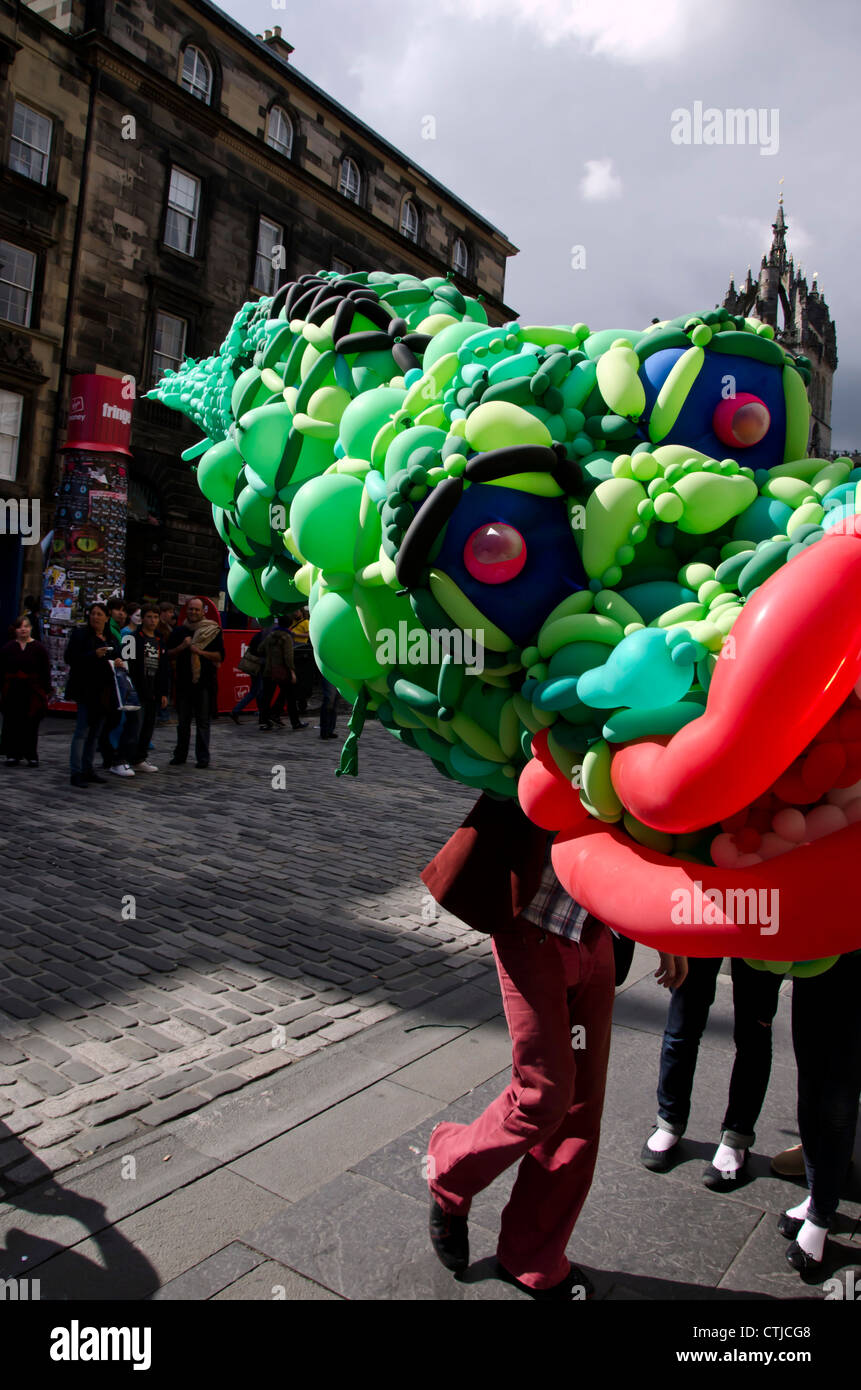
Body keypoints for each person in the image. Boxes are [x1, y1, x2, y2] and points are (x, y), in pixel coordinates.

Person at [421, 798, 686, 1298]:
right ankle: (448, 1169)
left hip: (595, 931)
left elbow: (654, 819)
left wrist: (661, 925)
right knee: (544, 1096)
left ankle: (533, 1256)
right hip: (532, 923)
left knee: (581, 1109)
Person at [640, 957, 783, 1186]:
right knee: (682, 1021)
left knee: (754, 1033)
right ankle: (669, 1119)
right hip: (700, 922)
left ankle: (737, 1137)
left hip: (761, 928)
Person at [778, 952, 861, 1281]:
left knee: (839, 1099)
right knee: (810, 1084)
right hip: (816, 956)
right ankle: (818, 1195)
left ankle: (821, 1214)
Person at [64, 602, 123, 787]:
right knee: (82, 731)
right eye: (92, 614)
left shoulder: (111, 638)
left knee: (95, 733)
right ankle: (76, 772)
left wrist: (119, 661)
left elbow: (116, 658)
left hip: (104, 692)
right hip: (86, 690)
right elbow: (70, 658)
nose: (95, 617)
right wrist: (93, 655)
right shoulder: (81, 635)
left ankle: (88, 769)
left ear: (107, 618)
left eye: (99, 614)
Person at [166, 597, 224, 767]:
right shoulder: (179, 632)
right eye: (191, 609)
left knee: (202, 722)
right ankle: (180, 755)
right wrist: (182, 648)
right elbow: (168, 654)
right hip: (184, 682)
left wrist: (199, 652)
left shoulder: (212, 630)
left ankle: (203, 758)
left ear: (203, 611)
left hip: (204, 682)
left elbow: (220, 656)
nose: (193, 612)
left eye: (197, 610)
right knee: (183, 722)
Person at [0, 615, 51, 766]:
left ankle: (31, 754)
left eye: (26, 626)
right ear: (15, 630)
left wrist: (45, 690)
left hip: (32, 690)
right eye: (20, 626)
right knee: (12, 722)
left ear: (31, 629)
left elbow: (45, 670)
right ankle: (12, 754)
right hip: (13, 690)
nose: (23, 629)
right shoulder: (8, 648)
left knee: (31, 724)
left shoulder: (38, 648)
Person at [128, 604, 169, 772]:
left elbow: (164, 668)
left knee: (148, 727)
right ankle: (123, 758)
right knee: (133, 727)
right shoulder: (132, 638)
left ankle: (140, 759)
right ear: (143, 618)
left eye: (155, 617)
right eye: (149, 617)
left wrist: (163, 692)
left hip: (154, 689)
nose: (152, 620)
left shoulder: (160, 640)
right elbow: (127, 664)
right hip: (137, 689)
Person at [258, 616, 307, 731]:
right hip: (282, 671)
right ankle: (295, 722)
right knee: (290, 697)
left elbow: (260, 649)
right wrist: (292, 672)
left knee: (266, 697)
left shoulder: (270, 635)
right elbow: (288, 656)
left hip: (268, 670)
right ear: (290, 624)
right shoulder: (287, 637)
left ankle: (264, 721)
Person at [229, 623, 268, 723]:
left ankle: (261, 714)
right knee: (256, 691)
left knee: (257, 690)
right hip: (258, 666)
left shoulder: (258, 635)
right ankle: (237, 710)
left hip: (253, 666)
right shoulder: (265, 636)